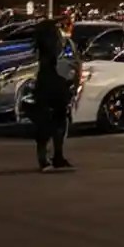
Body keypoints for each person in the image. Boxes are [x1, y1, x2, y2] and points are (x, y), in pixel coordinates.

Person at [31, 14, 76, 172]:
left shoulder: (51, 48)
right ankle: (47, 159)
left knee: (57, 120)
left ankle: (56, 157)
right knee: (50, 122)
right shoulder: (49, 50)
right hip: (52, 84)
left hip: (54, 84)